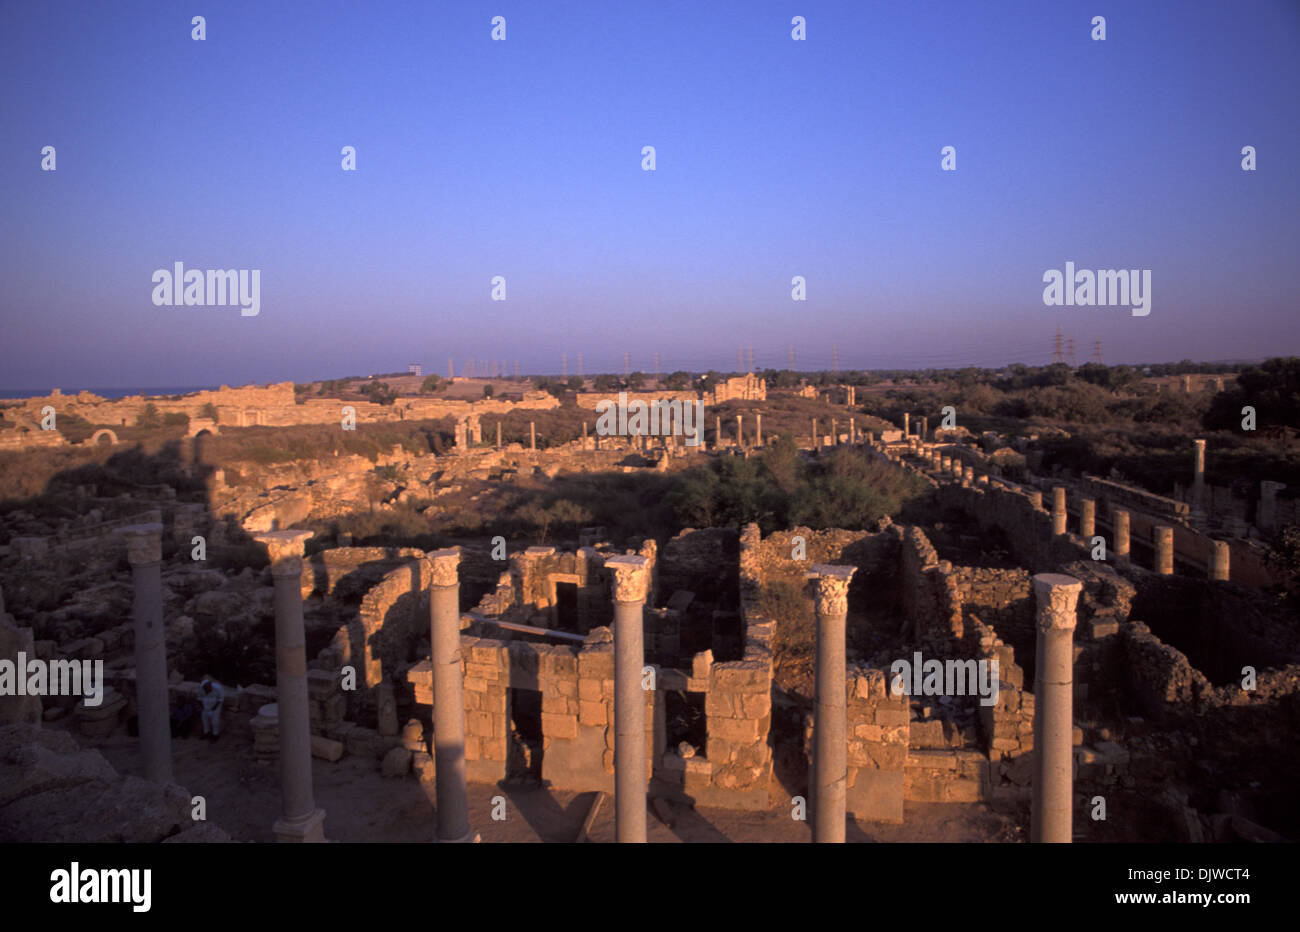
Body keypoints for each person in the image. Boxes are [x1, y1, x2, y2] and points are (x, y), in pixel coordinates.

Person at [199, 676, 224, 743]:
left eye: (208, 688)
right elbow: (200, 698)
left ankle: (215, 735)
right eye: (205, 689)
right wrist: (202, 707)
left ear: (210, 685)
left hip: (216, 706)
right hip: (205, 705)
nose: (207, 690)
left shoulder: (218, 688)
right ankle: (206, 732)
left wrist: (213, 708)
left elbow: (220, 699)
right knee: (204, 720)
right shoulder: (201, 688)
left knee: (215, 721)